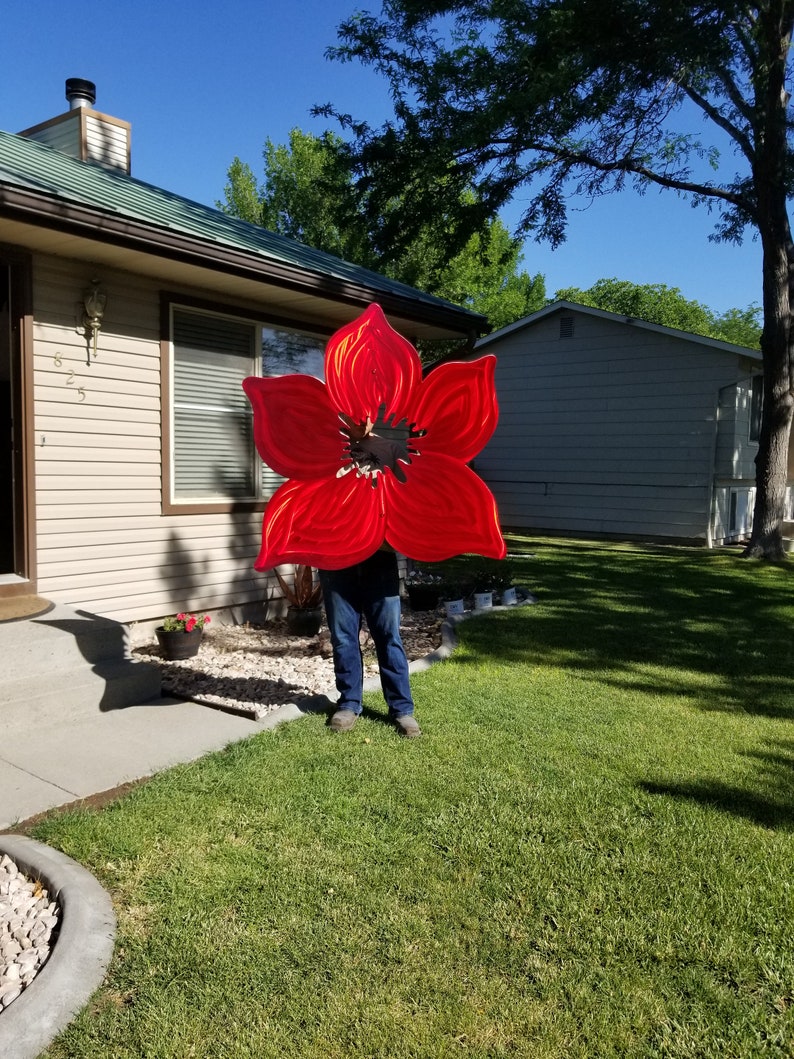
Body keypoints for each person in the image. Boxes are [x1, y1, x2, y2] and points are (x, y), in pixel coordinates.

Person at [318, 549, 421, 738]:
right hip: (334, 558)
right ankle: (349, 704)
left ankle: (402, 709)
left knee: (389, 636)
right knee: (343, 638)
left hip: (379, 557)